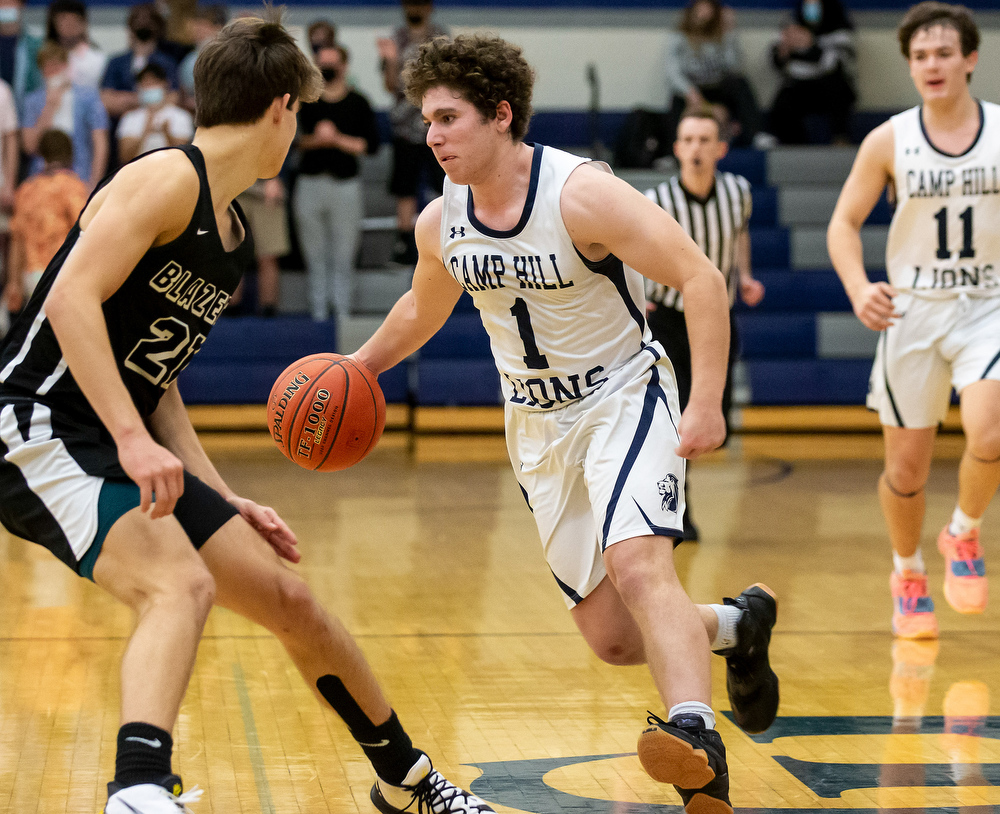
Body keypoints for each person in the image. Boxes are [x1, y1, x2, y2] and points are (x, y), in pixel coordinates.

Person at [0, 14, 493, 814]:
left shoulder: (226, 233)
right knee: (178, 584)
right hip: (35, 424)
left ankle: (409, 781)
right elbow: (66, 299)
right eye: (297, 112)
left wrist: (221, 494)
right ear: (279, 111)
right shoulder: (164, 179)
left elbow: (156, 383)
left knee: (290, 601)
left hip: (115, 434)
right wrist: (129, 439)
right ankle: (138, 790)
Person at [354, 33, 780, 813]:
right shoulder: (439, 221)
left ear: (501, 116)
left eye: (449, 118)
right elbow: (423, 306)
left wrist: (706, 400)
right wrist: (357, 368)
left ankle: (696, 735)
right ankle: (739, 627)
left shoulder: (581, 194)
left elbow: (700, 276)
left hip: (623, 395)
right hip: (537, 426)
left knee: (640, 565)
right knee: (616, 639)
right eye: (427, 120)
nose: (433, 136)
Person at [827, 2, 999, 640]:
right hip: (912, 313)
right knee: (906, 471)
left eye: (944, 53)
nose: (932, 64)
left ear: (970, 59)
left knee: (990, 429)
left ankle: (964, 531)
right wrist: (857, 284)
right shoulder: (889, 139)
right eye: (921, 55)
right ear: (911, 65)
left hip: (989, 305)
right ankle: (907, 572)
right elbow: (843, 224)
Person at [644, 107, 763, 541]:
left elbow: (739, 235)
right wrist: (641, 293)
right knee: (674, 416)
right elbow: (632, 252)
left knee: (714, 412)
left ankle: (676, 498)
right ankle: (675, 507)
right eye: (688, 140)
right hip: (671, 318)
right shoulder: (659, 200)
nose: (695, 148)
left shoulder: (738, 192)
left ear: (720, 148)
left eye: (704, 140)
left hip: (717, 318)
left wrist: (744, 276)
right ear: (677, 149)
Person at [294, 44, 379, 321]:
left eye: (332, 63)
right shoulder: (305, 103)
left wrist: (337, 139)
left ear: (344, 66)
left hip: (345, 186)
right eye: (322, 64)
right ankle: (318, 316)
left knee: (344, 257)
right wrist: (316, 140)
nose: (327, 69)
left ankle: (342, 315)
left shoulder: (359, 102)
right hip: (310, 183)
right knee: (314, 256)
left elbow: (370, 145)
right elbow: (293, 143)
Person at [376, 0, 447, 265]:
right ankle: (404, 241)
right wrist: (391, 60)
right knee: (404, 187)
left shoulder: (441, 37)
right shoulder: (396, 37)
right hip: (404, 126)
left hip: (436, 125)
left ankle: (447, 235)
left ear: (429, 8)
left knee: (443, 184)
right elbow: (389, 84)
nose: (414, 9)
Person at [4, 128, 87, 315]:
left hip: (31, 276)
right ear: (70, 153)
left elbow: (17, 240)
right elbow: (83, 234)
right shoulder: (73, 187)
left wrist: (14, 283)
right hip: (62, 273)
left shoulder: (26, 189)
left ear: (42, 154)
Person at [665, 0, 762, 148]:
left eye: (708, 11)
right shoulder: (680, 36)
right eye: (699, 11)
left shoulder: (722, 35)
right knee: (676, 99)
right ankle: (671, 150)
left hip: (718, 87)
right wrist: (689, 92)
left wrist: (729, 31)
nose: (703, 16)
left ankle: (755, 135)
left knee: (740, 84)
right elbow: (673, 71)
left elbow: (735, 67)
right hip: (693, 88)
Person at [766, 0, 856, 145]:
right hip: (799, 87)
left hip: (829, 88)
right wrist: (785, 52)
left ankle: (840, 139)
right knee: (784, 99)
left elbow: (834, 64)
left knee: (838, 89)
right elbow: (779, 63)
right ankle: (795, 146)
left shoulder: (840, 28)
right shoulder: (792, 24)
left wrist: (810, 45)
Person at [22, 41, 109, 189]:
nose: (53, 70)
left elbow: (100, 143)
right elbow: (30, 146)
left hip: (79, 177)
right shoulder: (33, 101)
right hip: (42, 179)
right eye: (48, 66)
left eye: (57, 65)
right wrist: (49, 107)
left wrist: (95, 183)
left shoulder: (88, 97)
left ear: (67, 65)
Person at [100, 2, 179, 122]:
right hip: (121, 129)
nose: (143, 24)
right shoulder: (116, 63)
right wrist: (151, 98)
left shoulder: (167, 63)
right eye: (137, 21)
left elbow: (173, 98)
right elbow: (107, 101)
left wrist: (127, 99)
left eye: (148, 21)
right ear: (130, 27)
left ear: (158, 27)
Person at [116, 62, 193, 162]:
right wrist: (145, 130)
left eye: (154, 82)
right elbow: (125, 157)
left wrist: (167, 134)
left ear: (165, 84)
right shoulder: (129, 118)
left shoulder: (181, 116)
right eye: (146, 84)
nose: (150, 87)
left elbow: (183, 157)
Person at [46, 0, 108, 90]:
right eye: (63, 19)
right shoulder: (44, 57)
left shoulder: (98, 59)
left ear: (84, 23)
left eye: (74, 19)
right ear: (53, 23)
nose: (69, 24)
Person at [178, 4, 226, 113]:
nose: (197, 30)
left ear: (218, 27)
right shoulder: (189, 58)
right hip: (193, 111)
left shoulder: (227, 56)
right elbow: (183, 91)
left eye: (203, 25)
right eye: (197, 25)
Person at [0, 0, 42, 115]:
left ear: (21, 6)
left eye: (10, 3)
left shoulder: (38, 43)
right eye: (2, 3)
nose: (6, 8)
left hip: (30, 116)